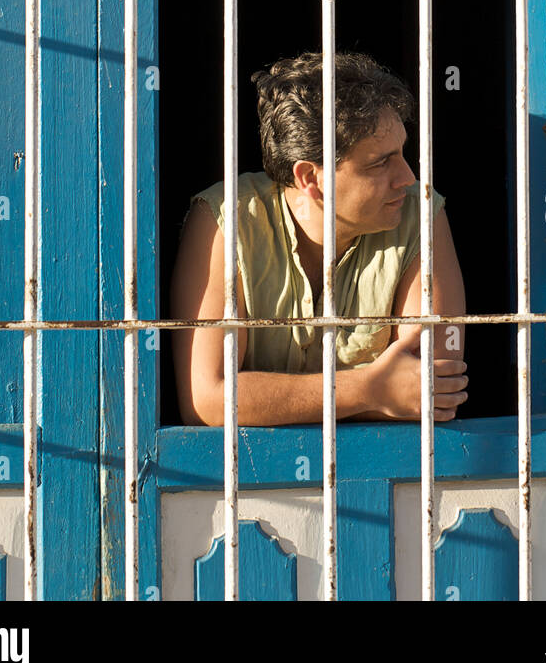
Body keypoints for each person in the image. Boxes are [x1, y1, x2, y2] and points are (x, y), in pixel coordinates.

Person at [171, 51, 468, 426]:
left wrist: (265, 400)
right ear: (310, 178)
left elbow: (434, 392)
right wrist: (370, 389)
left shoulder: (420, 212)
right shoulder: (225, 218)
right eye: (381, 162)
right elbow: (207, 402)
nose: (407, 177)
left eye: (403, 153)